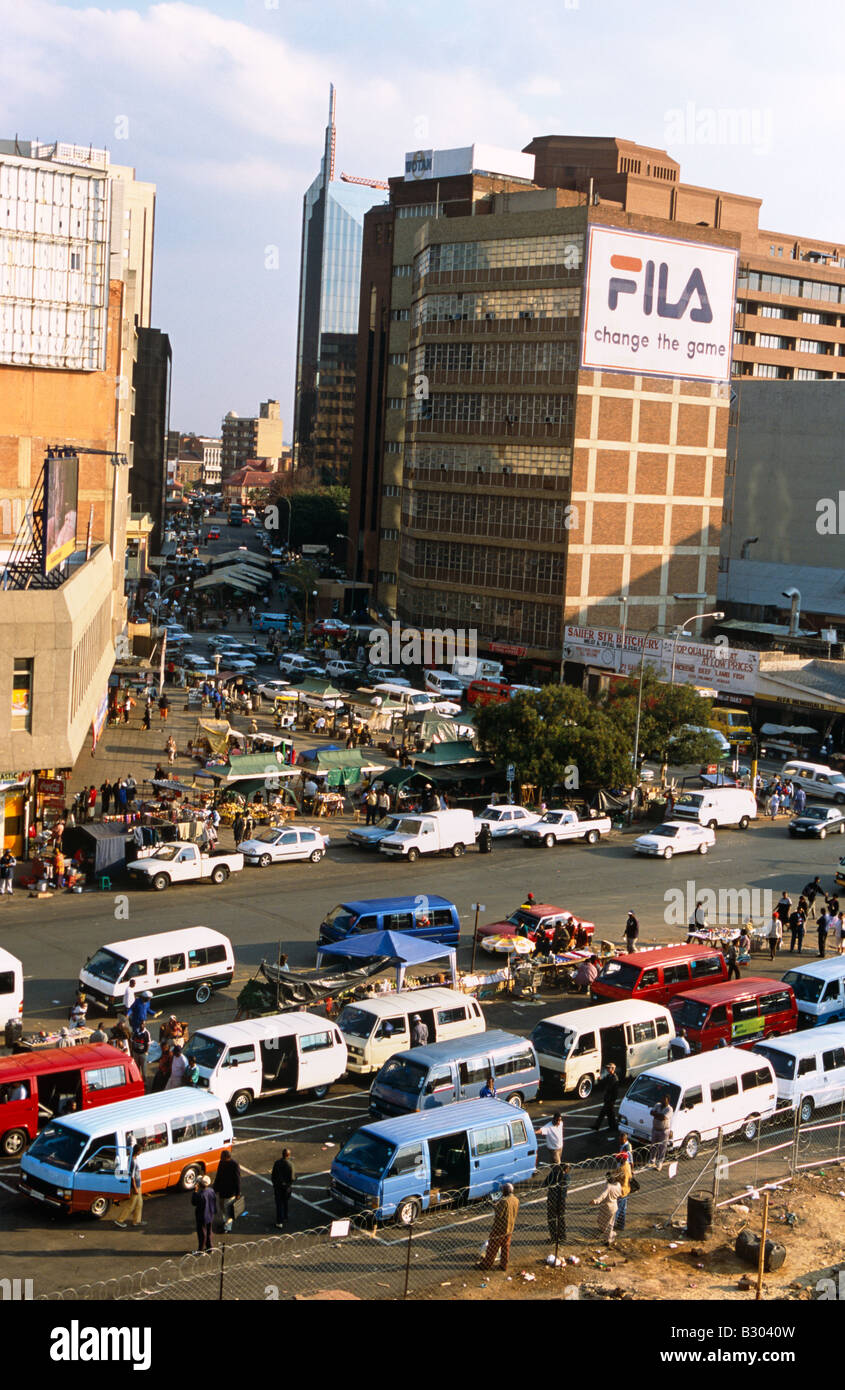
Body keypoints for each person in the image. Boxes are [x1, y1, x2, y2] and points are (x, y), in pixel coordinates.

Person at [477, 1183, 519, 1272]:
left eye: (502, 1190)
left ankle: (486, 1265)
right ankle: (504, 1265)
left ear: (505, 1191)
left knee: (492, 1247)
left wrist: (495, 1205)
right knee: (505, 1247)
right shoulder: (516, 1199)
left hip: (500, 1228)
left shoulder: (504, 1201)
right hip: (510, 1227)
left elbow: (499, 1214)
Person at [113, 1143, 145, 1229]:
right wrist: (135, 1188)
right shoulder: (133, 1162)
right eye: (141, 1150)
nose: (141, 1152)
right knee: (131, 1204)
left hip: (138, 1185)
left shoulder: (133, 1158)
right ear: (137, 1151)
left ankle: (137, 1221)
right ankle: (119, 1220)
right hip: (135, 1186)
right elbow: (132, 1176)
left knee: (139, 1203)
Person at [213, 1149, 242, 1233]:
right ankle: (224, 1221)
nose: (220, 1158)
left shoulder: (234, 1165)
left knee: (228, 1210)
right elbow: (218, 1176)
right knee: (222, 1207)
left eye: (222, 1157)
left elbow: (238, 1180)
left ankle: (227, 1227)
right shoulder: (221, 1162)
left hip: (230, 1192)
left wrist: (238, 1192)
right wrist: (215, 1188)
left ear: (227, 1157)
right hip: (222, 1191)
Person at [591, 1172, 623, 1245]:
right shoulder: (618, 1185)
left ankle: (608, 1239)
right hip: (614, 1206)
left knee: (604, 1222)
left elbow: (602, 1196)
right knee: (609, 1223)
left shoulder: (609, 1187)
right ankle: (610, 1235)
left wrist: (595, 1201)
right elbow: (620, 1194)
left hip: (607, 1207)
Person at [545, 1162, 569, 1249]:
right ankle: (562, 1237)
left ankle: (554, 1238)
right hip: (561, 1200)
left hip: (552, 1199)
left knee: (551, 1218)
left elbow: (545, 1183)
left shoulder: (553, 1174)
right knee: (561, 1218)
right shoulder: (567, 1176)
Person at [192, 1173, 216, 1254]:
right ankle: (210, 1248)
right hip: (210, 1214)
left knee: (202, 1234)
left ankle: (200, 1250)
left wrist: (195, 1192)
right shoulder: (211, 1190)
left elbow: (194, 1202)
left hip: (202, 1216)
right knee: (209, 1231)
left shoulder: (200, 1195)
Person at [593, 1062, 620, 1134]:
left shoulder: (614, 1078)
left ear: (613, 1069)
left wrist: (612, 1100)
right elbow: (603, 1082)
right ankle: (613, 1127)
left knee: (603, 1112)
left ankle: (596, 1126)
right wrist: (600, 1080)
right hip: (608, 1098)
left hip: (610, 1099)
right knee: (610, 1114)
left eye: (609, 1068)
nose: (607, 1069)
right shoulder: (609, 1076)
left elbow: (613, 1091)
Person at [271, 1147, 295, 1228]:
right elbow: (292, 1178)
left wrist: (275, 1183)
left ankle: (279, 1221)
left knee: (279, 1204)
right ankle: (285, 1216)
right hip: (286, 1188)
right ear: (288, 1155)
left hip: (278, 1187)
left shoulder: (277, 1163)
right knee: (285, 1202)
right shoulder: (290, 1164)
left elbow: (273, 1175)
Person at [649, 1094, 673, 1171]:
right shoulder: (658, 1105)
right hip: (655, 1129)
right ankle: (652, 1159)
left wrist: (656, 1115)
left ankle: (659, 1162)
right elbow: (651, 1112)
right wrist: (658, 1115)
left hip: (664, 1130)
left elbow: (663, 1118)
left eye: (665, 1100)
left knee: (662, 1147)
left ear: (668, 1101)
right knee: (653, 1145)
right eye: (662, 1099)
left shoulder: (669, 1109)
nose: (663, 1101)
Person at [613, 1146, 633, 1232]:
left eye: (618, 1159)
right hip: (626, 1190)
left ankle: (611, 1225)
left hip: (620, 1192)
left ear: (622, 1160)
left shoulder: (621, 1169)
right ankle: (621, 1225)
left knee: (617, 1210)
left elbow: (614, 1178)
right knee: (623, 1209)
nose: (617, 1160)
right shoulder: (627, 1165)